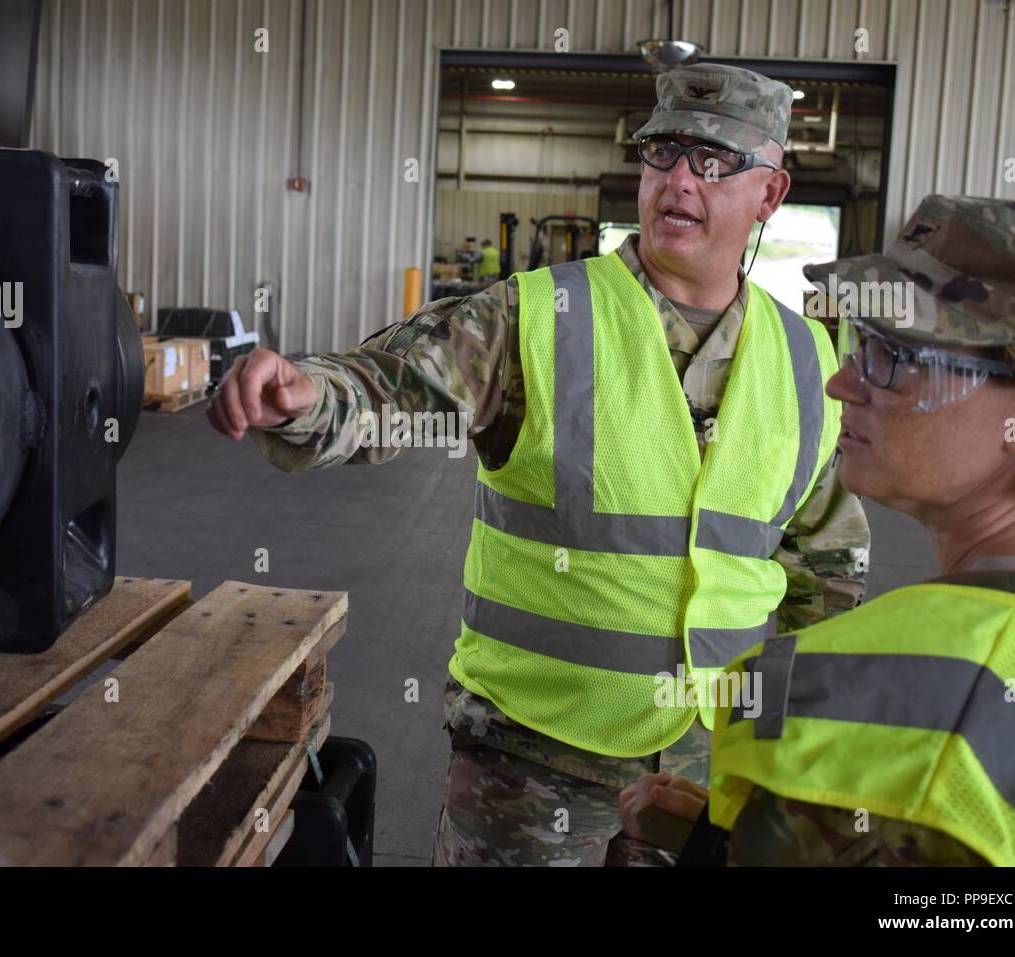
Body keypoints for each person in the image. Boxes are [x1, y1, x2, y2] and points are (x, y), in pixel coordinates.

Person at [207, 63, 870, 867]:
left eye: (716, 161)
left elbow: (824, 568)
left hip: (706, 769)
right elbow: (396, 384)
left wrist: (794, 745)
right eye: (663, 153)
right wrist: (307, 394)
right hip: (530, 768)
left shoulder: (806, 357)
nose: (678, 181)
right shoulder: (542, 313)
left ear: (770, 195)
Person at [619, 195, 1015, 866]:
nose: (840, 382)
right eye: (860, 343)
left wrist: (715, 848)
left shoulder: (835, 702)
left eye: (894, 356)